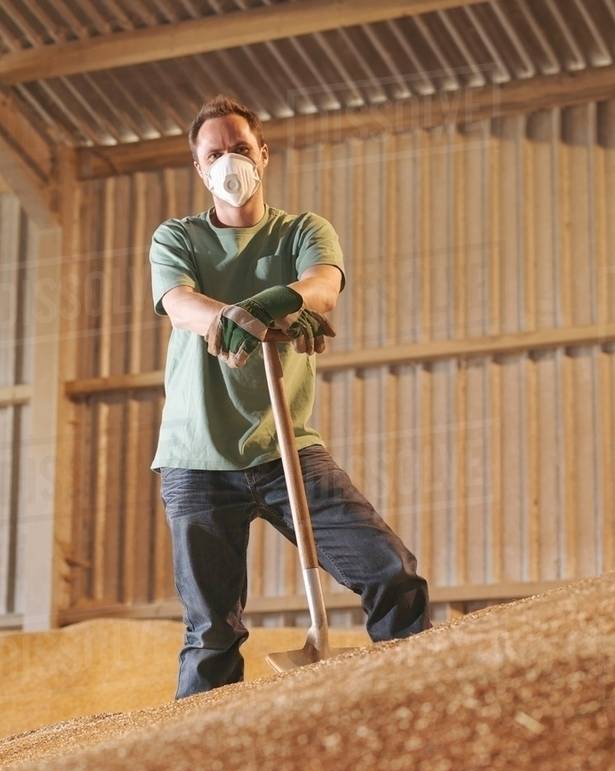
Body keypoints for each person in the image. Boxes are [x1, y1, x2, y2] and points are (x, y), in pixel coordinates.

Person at [150, 94, 431, 700]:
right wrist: (228, 316)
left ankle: (417, 701)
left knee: (391, 572)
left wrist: (284, 301)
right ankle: (197, 763)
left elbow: (323, 285)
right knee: (210, 633)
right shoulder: (178, 237)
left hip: (287, 451)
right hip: (196, 460)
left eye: (241, 149)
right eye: (215, 154)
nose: (230, 162)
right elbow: (178, 303)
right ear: (200, 168)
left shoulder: (301, 230)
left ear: (264, 155)